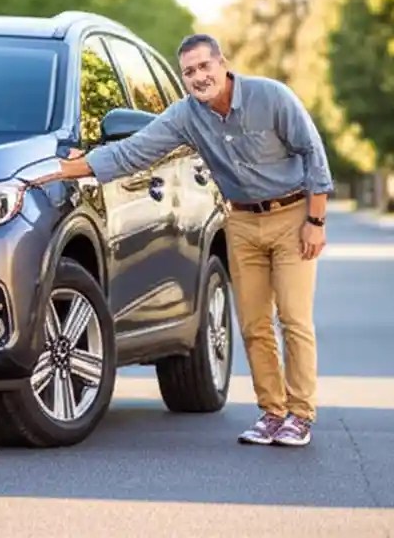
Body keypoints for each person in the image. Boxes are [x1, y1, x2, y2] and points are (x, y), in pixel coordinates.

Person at [33, 33, 333, 447]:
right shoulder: (186, 116)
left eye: (204, 67)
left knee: (293, 319)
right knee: (253, 323)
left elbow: (313, 154)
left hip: (292, 214)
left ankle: (300, 414)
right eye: (189, 72)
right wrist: (68, 170)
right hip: (242, 222)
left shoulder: (272, 97)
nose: (198, 77)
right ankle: (272, 412)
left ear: (223, 64)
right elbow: (133, 152)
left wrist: (316, 220)